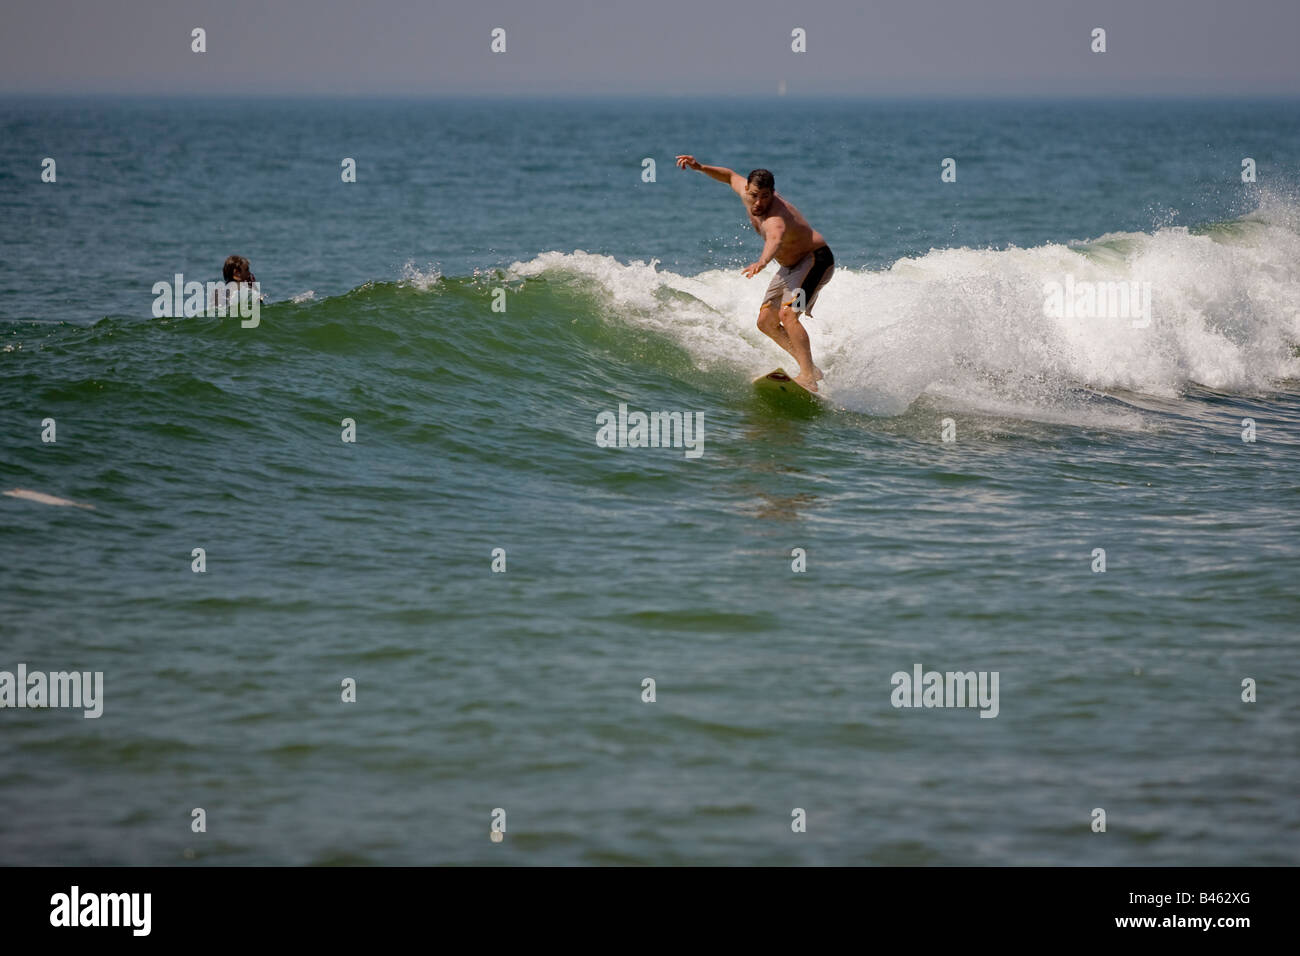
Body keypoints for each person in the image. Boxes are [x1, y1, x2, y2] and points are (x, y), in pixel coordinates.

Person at [676, 157, 834, 391]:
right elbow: (729, 175)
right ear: (747, 189)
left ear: (773, 193)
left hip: (816, 261)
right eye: (754, 195)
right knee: (766, 322)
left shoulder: (775, 218)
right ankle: (810, 367)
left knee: (788, 314)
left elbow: (774, 239)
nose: (759, 202)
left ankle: (808, 375)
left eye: (766, 196)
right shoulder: (745, 191)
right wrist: (700, 168)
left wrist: (762, 261)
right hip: (791, 266)